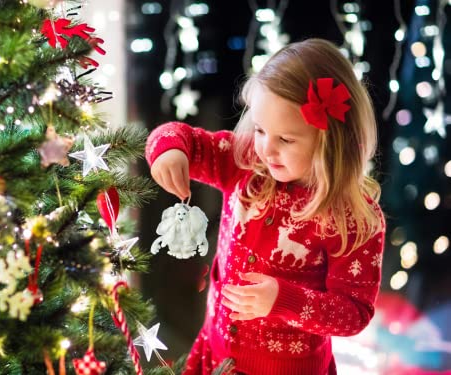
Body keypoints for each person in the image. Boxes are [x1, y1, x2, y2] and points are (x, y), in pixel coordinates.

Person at [145, 38, 386, 375]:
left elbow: (354, 313)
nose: (266, 149)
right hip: (216, 354)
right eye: (259, 129)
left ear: (330, 140)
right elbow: (181, 136)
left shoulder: (352, 218)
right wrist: (171, 150)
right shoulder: (244, 164)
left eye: (285, 139)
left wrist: (284, 300)